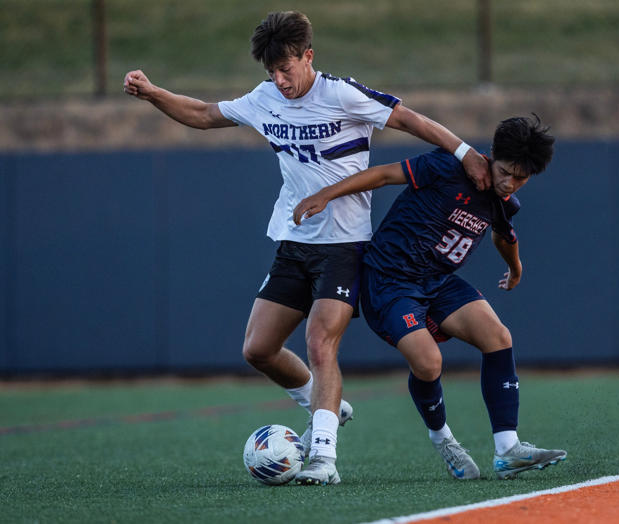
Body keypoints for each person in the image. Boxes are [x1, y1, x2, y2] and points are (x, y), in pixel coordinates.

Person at [123, 11, 491, 486]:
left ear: (308, 57)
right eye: (271, 72)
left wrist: (465, 153)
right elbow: (205, 115)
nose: (279, 80)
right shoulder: (265, 98)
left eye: (286, 69)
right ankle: (328, 405)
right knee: (258, 349)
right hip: (294, 244)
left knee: (320, 342)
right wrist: (153, 93)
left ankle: (324, 458)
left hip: (344, 246)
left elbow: (408, 119)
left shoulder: (341, 94)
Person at [293, 115, 567, 480]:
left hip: (437, 282)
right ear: (491, 155)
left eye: (521, 178)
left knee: (498, 337)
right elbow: (383, 175)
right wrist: (326, 194)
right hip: (389, 281)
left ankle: (507, 450)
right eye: (505, 172)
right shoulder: (447, 166)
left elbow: (504, 234)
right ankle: (443, 439)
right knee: (429, 362)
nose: (510, 183)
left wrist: (515, 268)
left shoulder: (504, 201)